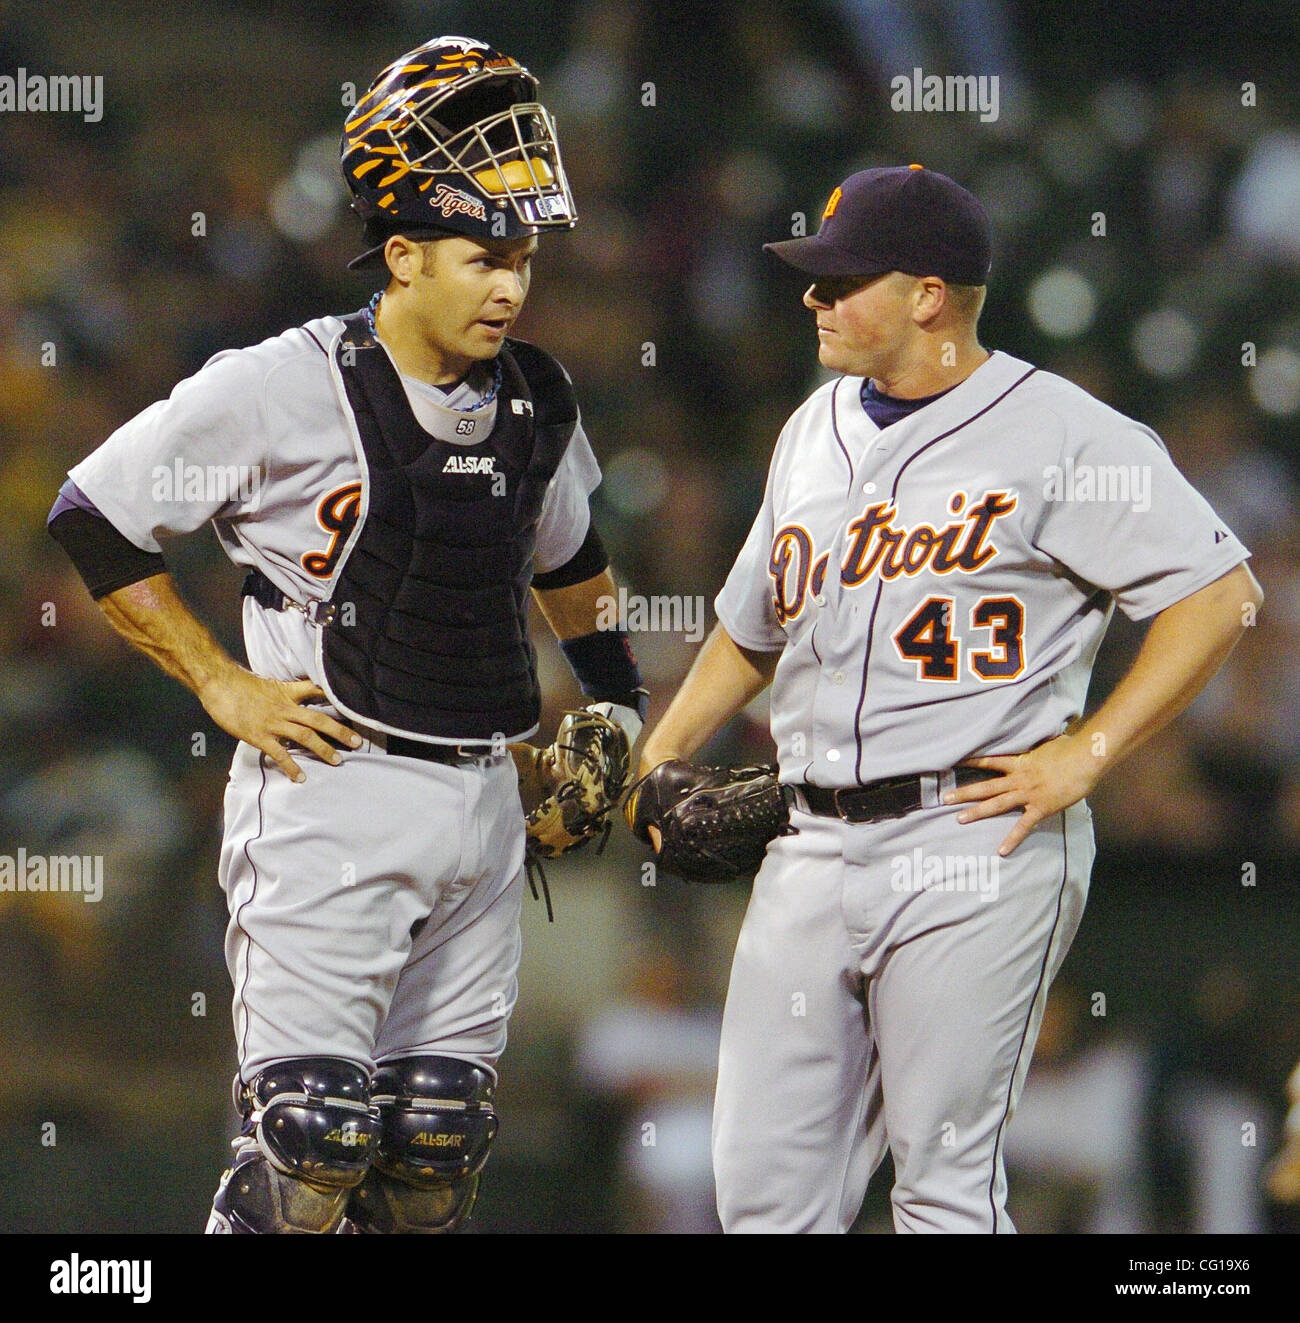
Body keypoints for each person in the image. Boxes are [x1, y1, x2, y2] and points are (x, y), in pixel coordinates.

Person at [47, 34, 645, 1235]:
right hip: (330, 786)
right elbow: (95, 514)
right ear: (405, 253)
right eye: (485, 259)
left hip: (483, 804)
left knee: (434, 1149)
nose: (511, 287)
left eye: (523, 260)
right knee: (311, 1144)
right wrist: (217, 683)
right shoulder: (278, 382)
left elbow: (569, 562)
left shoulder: (535, 398)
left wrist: (617, 704)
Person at [634, 164, 1262, 1233]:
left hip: (975, 833)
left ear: (928, 296)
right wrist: (660, 752)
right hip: (806, 841)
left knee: (943, 1193)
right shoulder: (810, 431)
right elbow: (752, 626)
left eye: (841, 281)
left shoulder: (1063, 433)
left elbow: (1219, 593)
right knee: (761, 1204)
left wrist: (1091, 750)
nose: (812, 298)